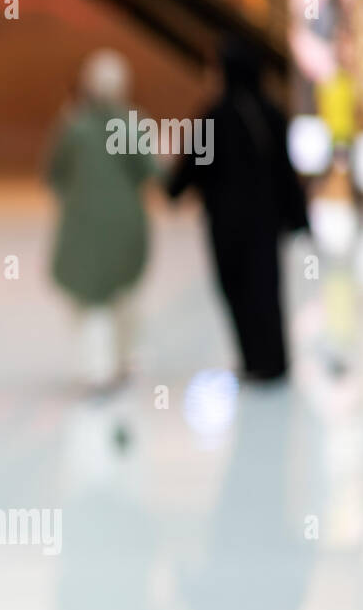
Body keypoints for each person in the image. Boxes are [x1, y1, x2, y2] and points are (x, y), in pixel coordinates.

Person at [166, 35, 309, 382]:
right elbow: (285, 173)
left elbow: (192, 169)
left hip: (227, 224)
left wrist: (175, 190)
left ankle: (254, 359)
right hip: (264, 222)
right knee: (265, 288)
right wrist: (297, 216)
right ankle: (272, 360)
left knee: (237, 289)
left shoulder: (214, 116)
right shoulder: (271, 112)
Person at [46, 48, 154, 390]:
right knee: (123, 296)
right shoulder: (131, 124)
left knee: (91, 300)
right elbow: (150, 170)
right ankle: (121, 361)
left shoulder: (73, 126)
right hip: (126, 224)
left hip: (84, 224)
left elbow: (54, 174)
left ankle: (97, 369)